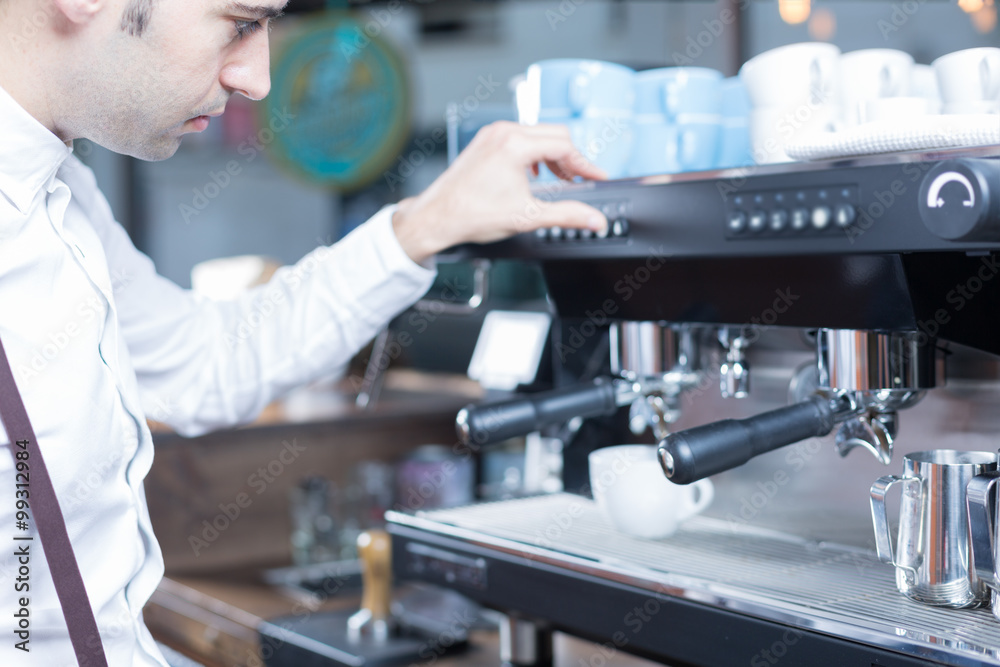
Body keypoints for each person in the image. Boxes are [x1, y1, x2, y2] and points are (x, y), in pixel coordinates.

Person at [0, 0, 609, 664]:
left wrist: (425, 223)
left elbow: (202, 363)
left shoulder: (62, 188)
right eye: (239, 23)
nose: (258, 80)